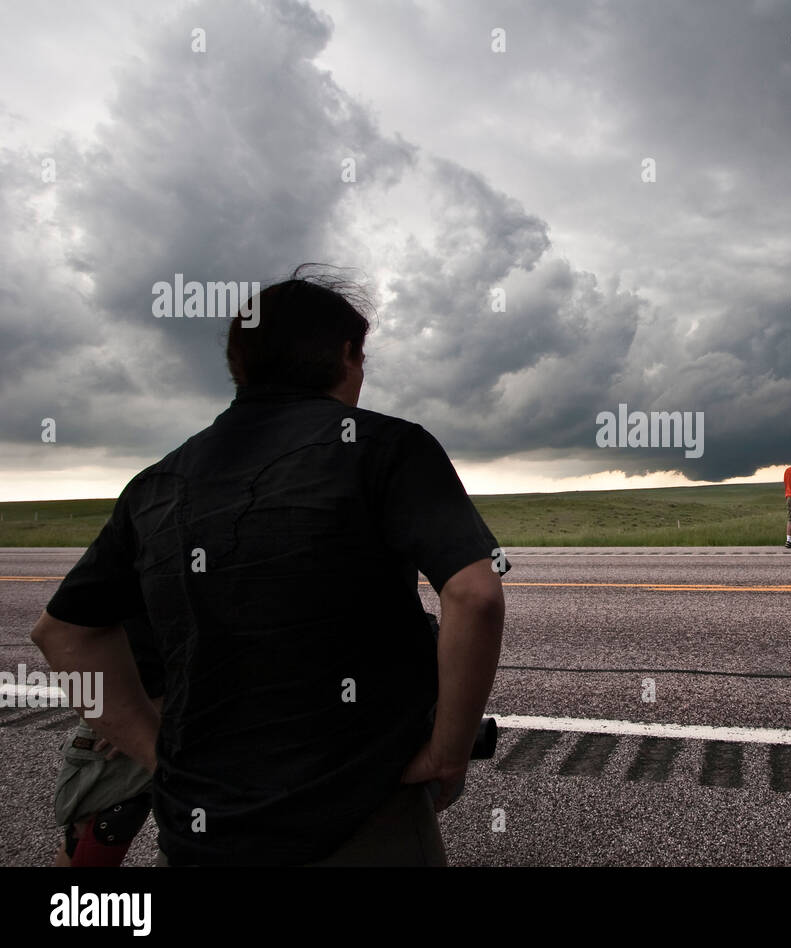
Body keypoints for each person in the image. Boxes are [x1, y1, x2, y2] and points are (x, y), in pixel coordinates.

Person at [30, 265, 506, 866]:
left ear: (241, 365)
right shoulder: (387, 446)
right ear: (346, 355)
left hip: (202, 831)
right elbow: (475, 594)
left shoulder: (156, 483)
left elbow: (61, 633)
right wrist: (446, 752)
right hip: (356, 812)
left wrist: (160, 754)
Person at [53, 615, 162, 867]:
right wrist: (103, 712)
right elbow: (54, 633)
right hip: (139, 703)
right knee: (102, 824)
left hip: (203, 705)